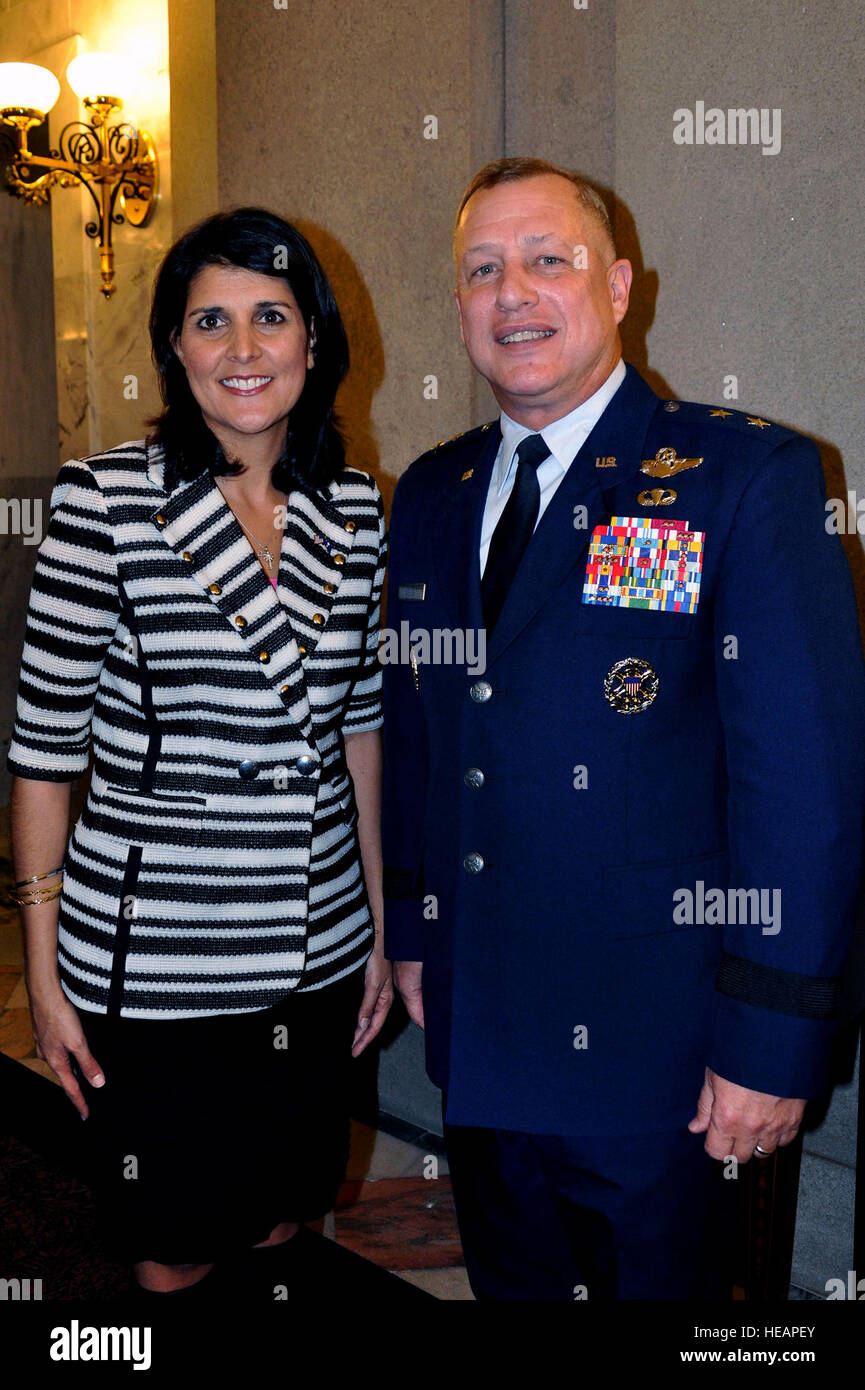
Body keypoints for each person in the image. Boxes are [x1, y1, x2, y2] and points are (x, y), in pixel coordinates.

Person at [381, 156, 865, 1300]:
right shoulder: (433, 492)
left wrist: (769, 1042)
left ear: (618, 285)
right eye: (483, 269)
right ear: (458, 306)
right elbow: (421, 732)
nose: (513, 293)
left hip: (670, 1063)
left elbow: (804, 789)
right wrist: (413, 920)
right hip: (485, 1034)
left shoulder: (740, 477)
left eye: (547, 259)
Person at [7, 207, 392, 1301]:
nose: (241, 348)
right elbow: (43, 754)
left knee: (279, 1212)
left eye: (270, 316)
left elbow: (358, 730)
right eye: (208, 320)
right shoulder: (106, 503)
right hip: (161, 964)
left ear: (312, 341)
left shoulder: (356, 507)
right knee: (174, 1240)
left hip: (313, 948)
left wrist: (370, 926)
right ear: (175, 349)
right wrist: (42, 969)